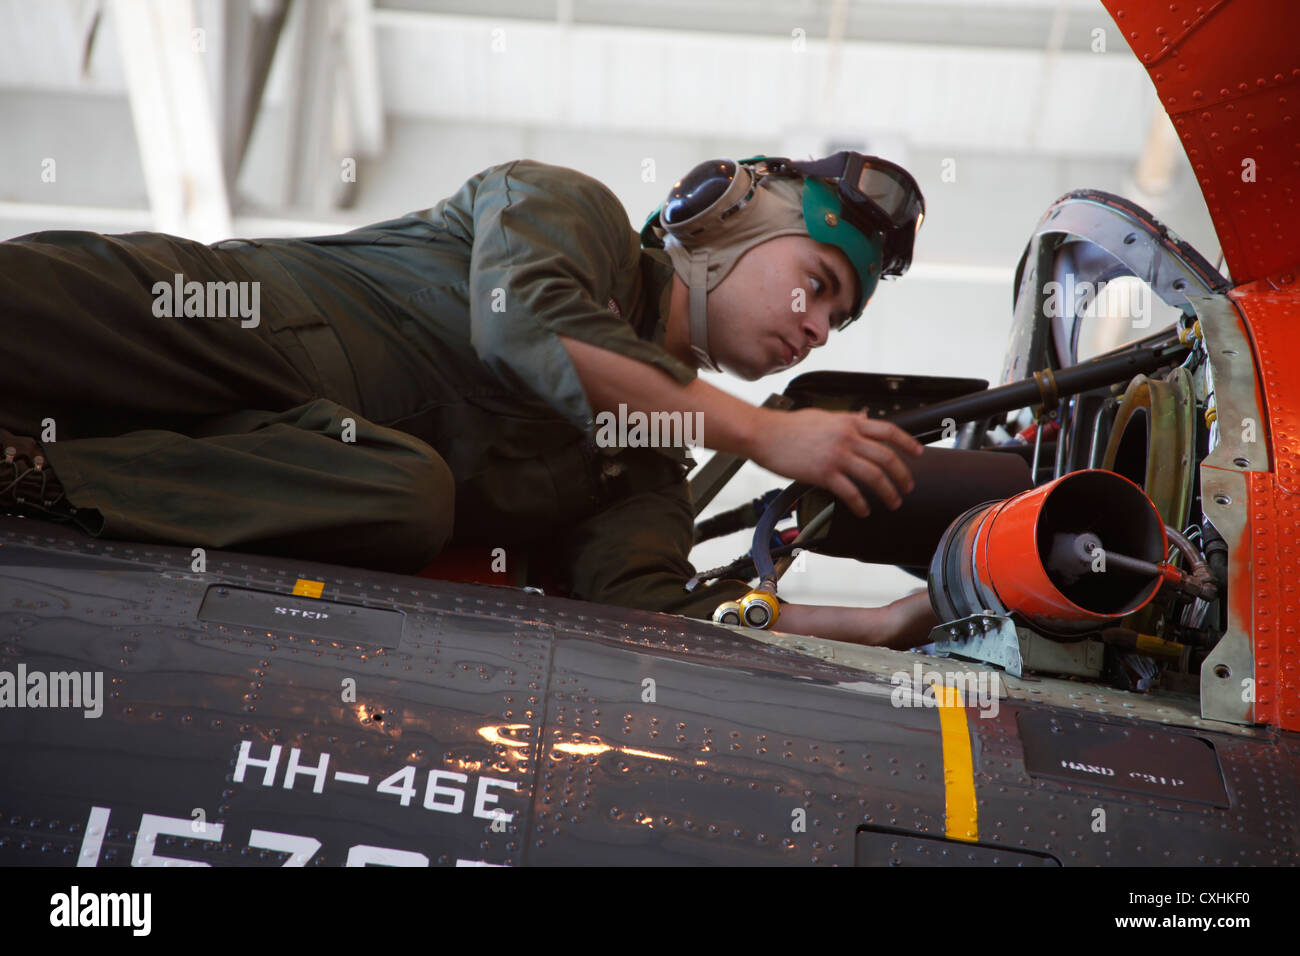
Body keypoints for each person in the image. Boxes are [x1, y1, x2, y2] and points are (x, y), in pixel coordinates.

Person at [0, 152, 936, 647]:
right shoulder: (572, 211)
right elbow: (526, 323)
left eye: (838, 323)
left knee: (407, 495)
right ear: (724, 214)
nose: (817, 328)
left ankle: (37, 476)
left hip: (261, 461)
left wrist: (878, 624)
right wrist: (766, 434)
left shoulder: (638, 476)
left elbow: (660, 617)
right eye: (816, 282)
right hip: (207, 324)